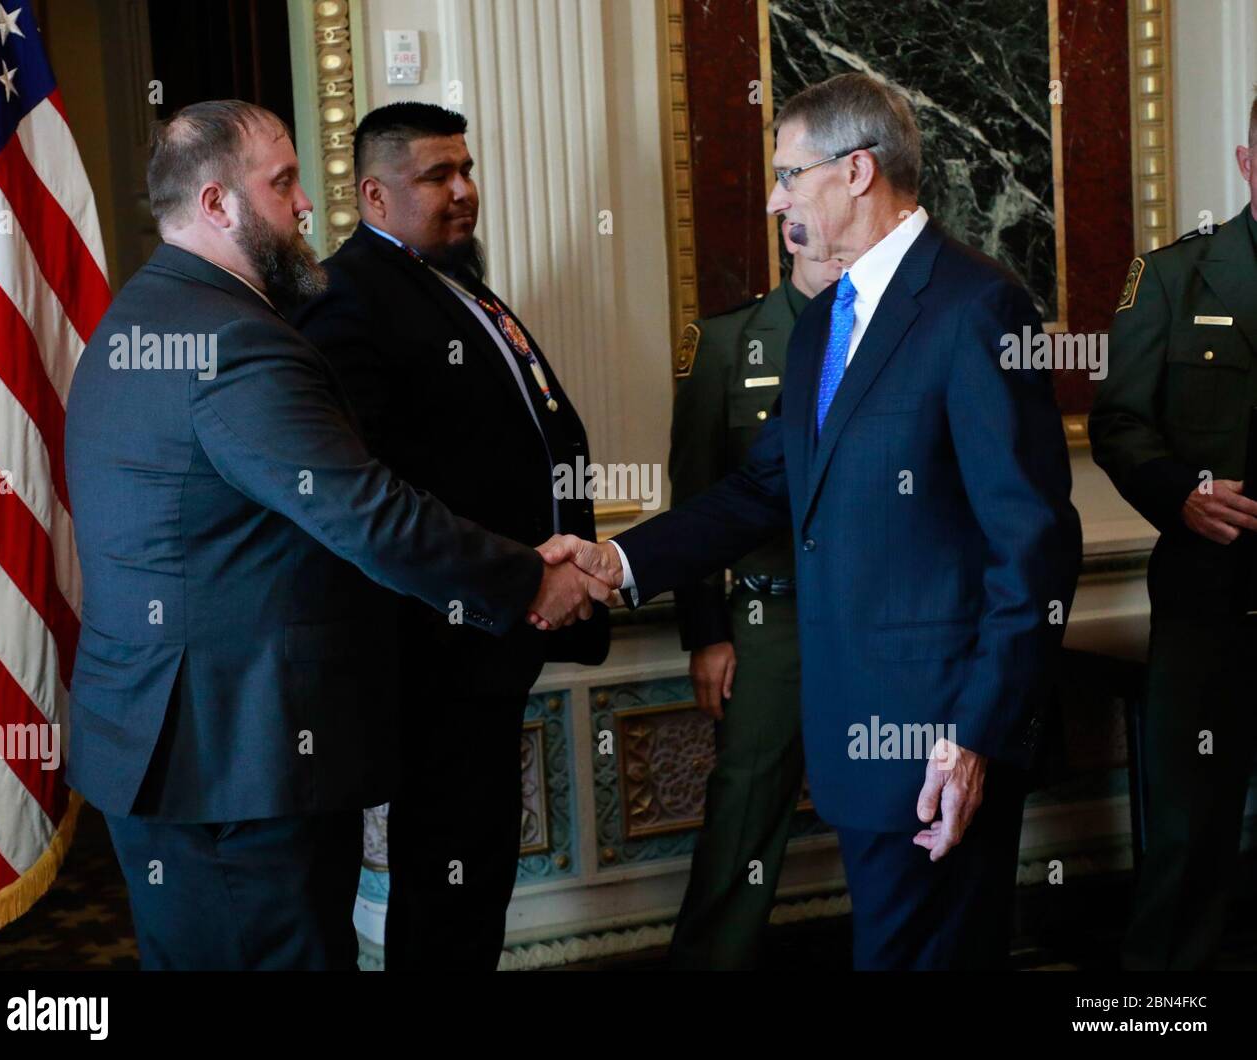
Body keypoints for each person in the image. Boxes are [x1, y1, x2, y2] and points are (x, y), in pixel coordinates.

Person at [534, 73, 1082, 970]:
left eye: (791, 173)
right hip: (856, 736)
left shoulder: (977, 306)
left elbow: (1035, 544)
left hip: (939, 741)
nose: (774, 196)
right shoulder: (824, 321)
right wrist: (615, 562)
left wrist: (975, 738)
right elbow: (763, 490)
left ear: (857, 171)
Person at [64, 100, 608, 970]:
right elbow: (369, 514)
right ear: (215, 205)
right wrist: (527, 578)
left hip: (172, 745)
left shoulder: (138, 317)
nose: (306, 205)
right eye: (282, 185)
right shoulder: (237, 342)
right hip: (240, 757)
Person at [291, 102, 608, 971]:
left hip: (495, 637)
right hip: (435, 650)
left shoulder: (454, 276)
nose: (464, 191)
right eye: (437, 176)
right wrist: (513, 578)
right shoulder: (344, 294)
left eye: (466, 170)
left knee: (477, 881)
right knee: (449, 889)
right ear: (374, 194)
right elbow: (375, 493)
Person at [1089, 91, 1257, 970]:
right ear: (1246, 164)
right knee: (1189, 838)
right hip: (1212, 600)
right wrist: (1183, 493)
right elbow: (1119, 424)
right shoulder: (1170, 278)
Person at [667, 222, 840, 969]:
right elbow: (696, 500)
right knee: (744, 812)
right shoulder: (727, 345)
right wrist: (708, 631)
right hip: (774, 618)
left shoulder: (901, 331)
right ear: (791, 231)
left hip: (879, 617)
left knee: (905, 800)